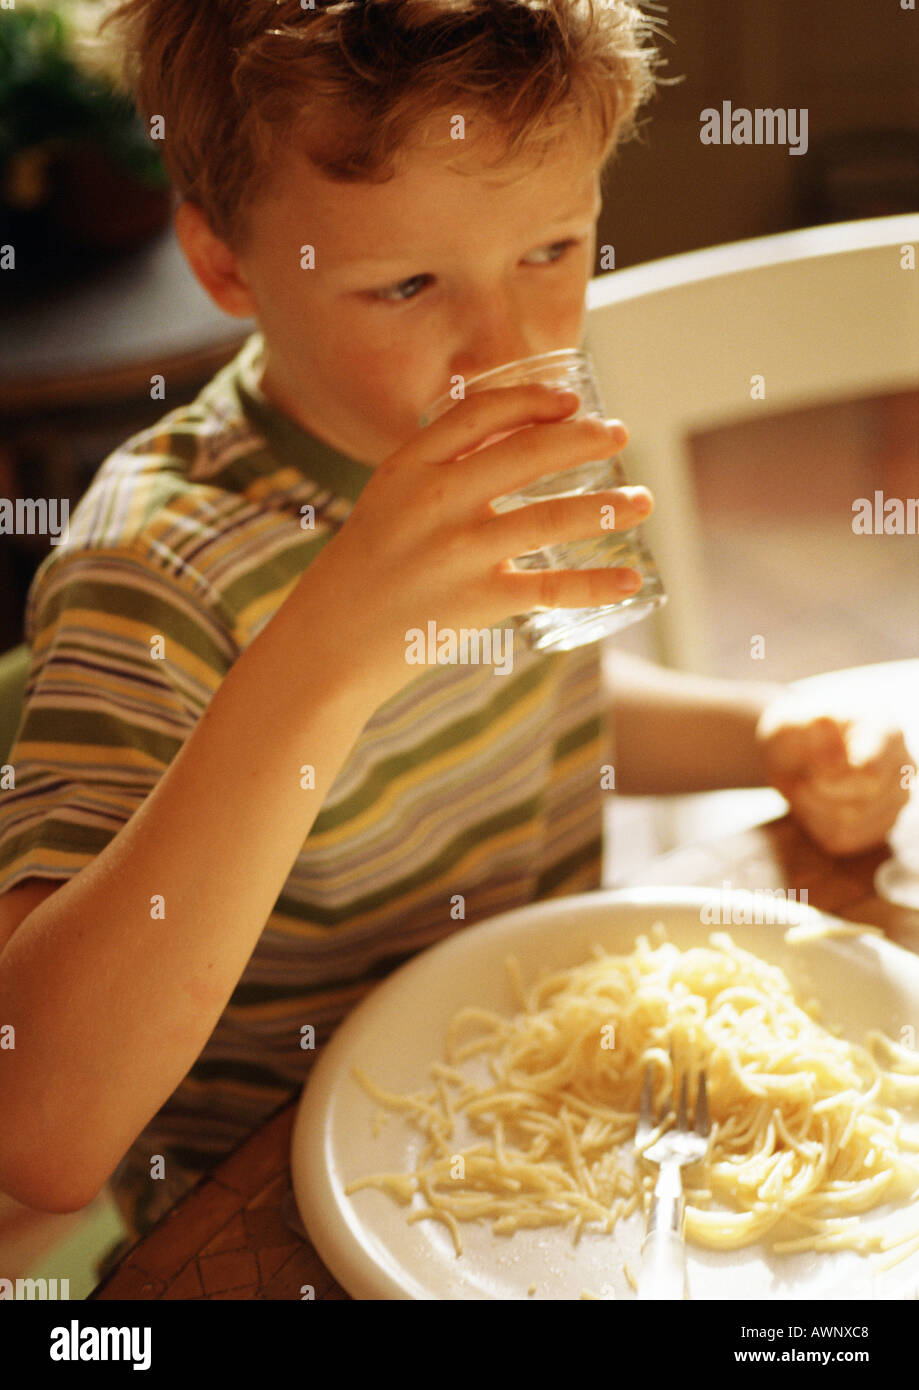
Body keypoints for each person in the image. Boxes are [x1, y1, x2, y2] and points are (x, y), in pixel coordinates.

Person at [0, 0, 909, 1271]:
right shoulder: (156, 570)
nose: (511, 347)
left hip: (561, 1152)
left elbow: (543, 713)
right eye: (408, 283)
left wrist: (760, 737)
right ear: (221, 263)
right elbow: (38, 1130)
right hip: (300, 1221)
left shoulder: (511, 475)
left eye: (553, 249)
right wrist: (329, 653)